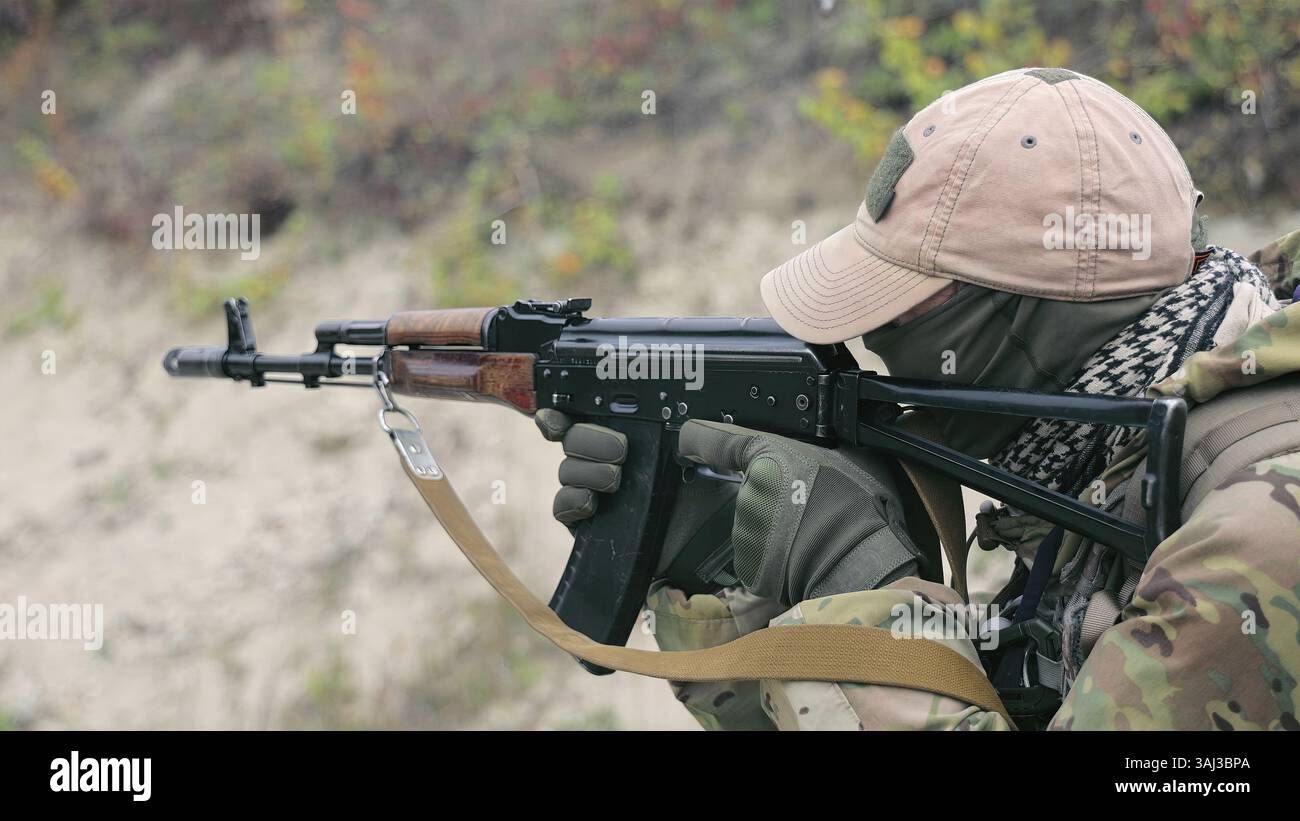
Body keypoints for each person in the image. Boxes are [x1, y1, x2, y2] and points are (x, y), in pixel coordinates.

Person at [538, 68, 1300, 730]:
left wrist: (856, 574)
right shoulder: (1107, 473)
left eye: (903, 313)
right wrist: (722, 571)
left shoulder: (1258, 541)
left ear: (1040, 311)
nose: (872, 341)